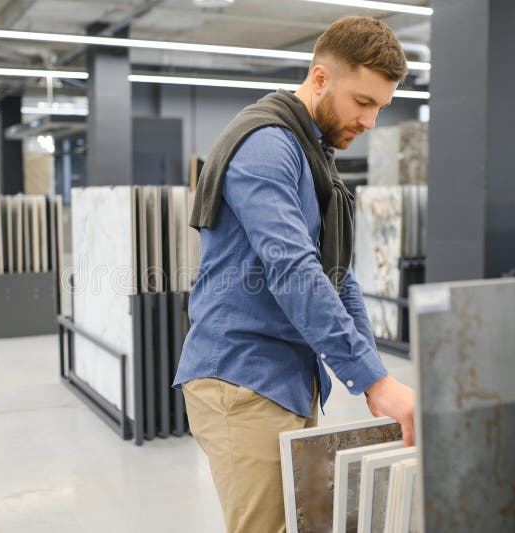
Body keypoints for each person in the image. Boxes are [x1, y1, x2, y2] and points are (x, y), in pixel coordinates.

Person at [172, 16, 416, 533]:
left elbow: (336, 273)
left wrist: (375, 377)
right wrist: (372, 379)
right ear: (321, 78)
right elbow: (294, 271)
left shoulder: (315, 154)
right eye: (363, 102)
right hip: (241, 380)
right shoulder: (266, 146)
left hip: (287, 378)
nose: (370, 122)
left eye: (381, 107)